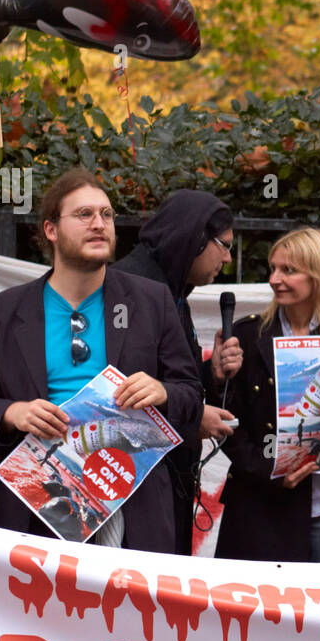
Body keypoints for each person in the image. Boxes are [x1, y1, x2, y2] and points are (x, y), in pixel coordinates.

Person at [0, 168, 203, 552]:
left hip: (129, 496)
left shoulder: (152, 301)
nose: (99, 224)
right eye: (84, 215)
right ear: (51, 230)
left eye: (106, 215)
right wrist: (15, 413)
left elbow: (191, 396)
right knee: (37, 611)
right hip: (37, 498)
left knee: (125, 611)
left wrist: (162, 391)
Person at [215, 227, 320, 562]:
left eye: (289, 270)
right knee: (258, 613)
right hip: (258, 511)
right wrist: (270, 471)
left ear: (318, 276)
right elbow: (226, 421)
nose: (274, 279)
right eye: (273, 268)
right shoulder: (247, 335)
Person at [112, 189, 243, 554]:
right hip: (132, 494)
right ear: (197, 238)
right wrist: (192, 419)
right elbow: (119, 397)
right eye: (225, 245)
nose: (228, 257)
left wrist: (209, 373)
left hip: (165, 483)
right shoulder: (131, 288)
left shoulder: (171, 289)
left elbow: (163, 380)